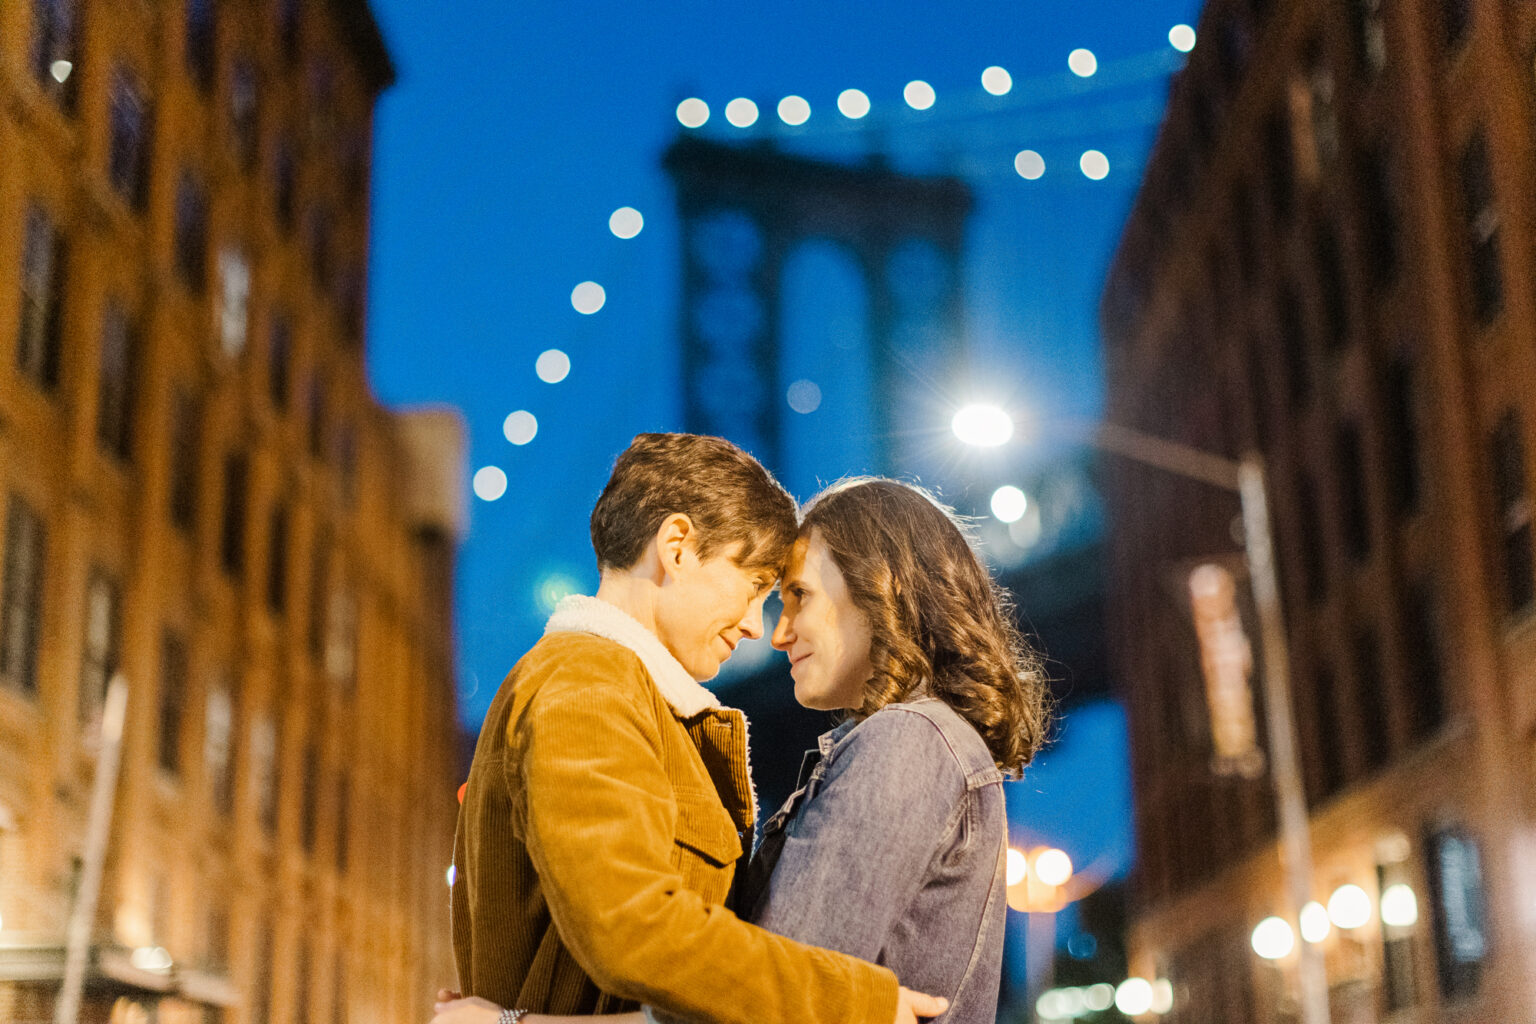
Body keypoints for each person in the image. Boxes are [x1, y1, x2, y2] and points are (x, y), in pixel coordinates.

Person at [438, 476, 1050, 1024]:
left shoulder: (906, 741)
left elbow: (755, 1012)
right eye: (762, 592)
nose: (771, 632)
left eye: (795, 594)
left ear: (880, 586)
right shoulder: (588, 681)